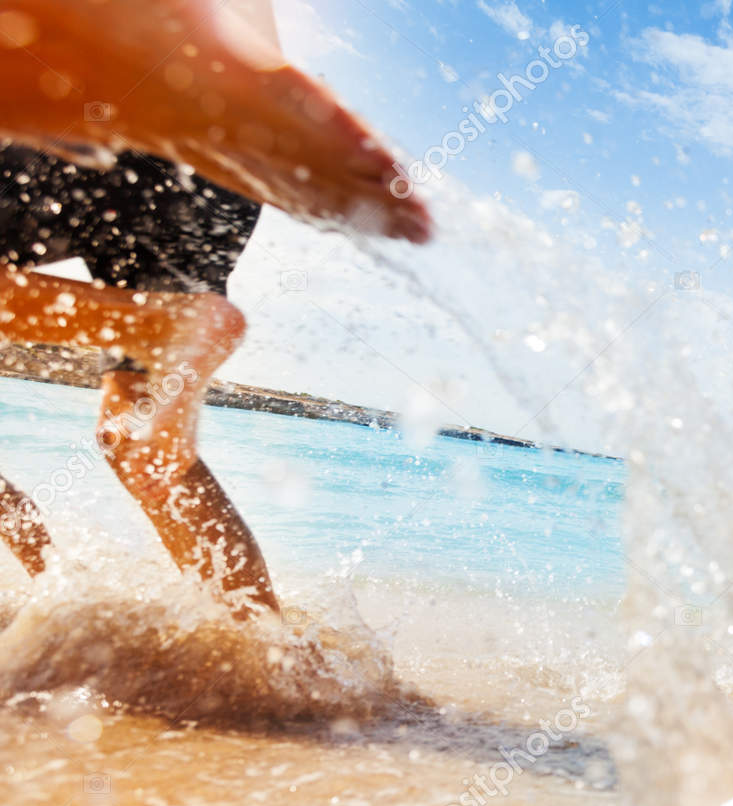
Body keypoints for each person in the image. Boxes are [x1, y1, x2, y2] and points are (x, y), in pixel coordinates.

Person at [0, 0, 429, 613]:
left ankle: (151, 325)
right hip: (212, 165)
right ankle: (271, 659)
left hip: (97, 121)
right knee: (139, 440)